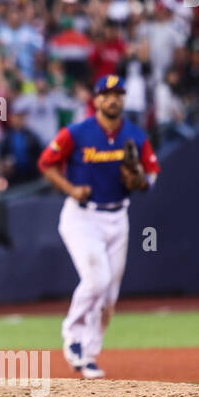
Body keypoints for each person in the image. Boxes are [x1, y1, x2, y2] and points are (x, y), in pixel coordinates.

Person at [37, 76, 161, 379]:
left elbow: (152, 171)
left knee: (109, 297)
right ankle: (72, 333)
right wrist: (70, 188)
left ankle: (89, 354)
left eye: (118, 94)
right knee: (97, 279)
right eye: (106, 93)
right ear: (96, 100)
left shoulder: (134, 135)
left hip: (118, 217)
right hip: (83, 216)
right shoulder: (77, 132)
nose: (113, 99)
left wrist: (141, 181)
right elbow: (46, 163)